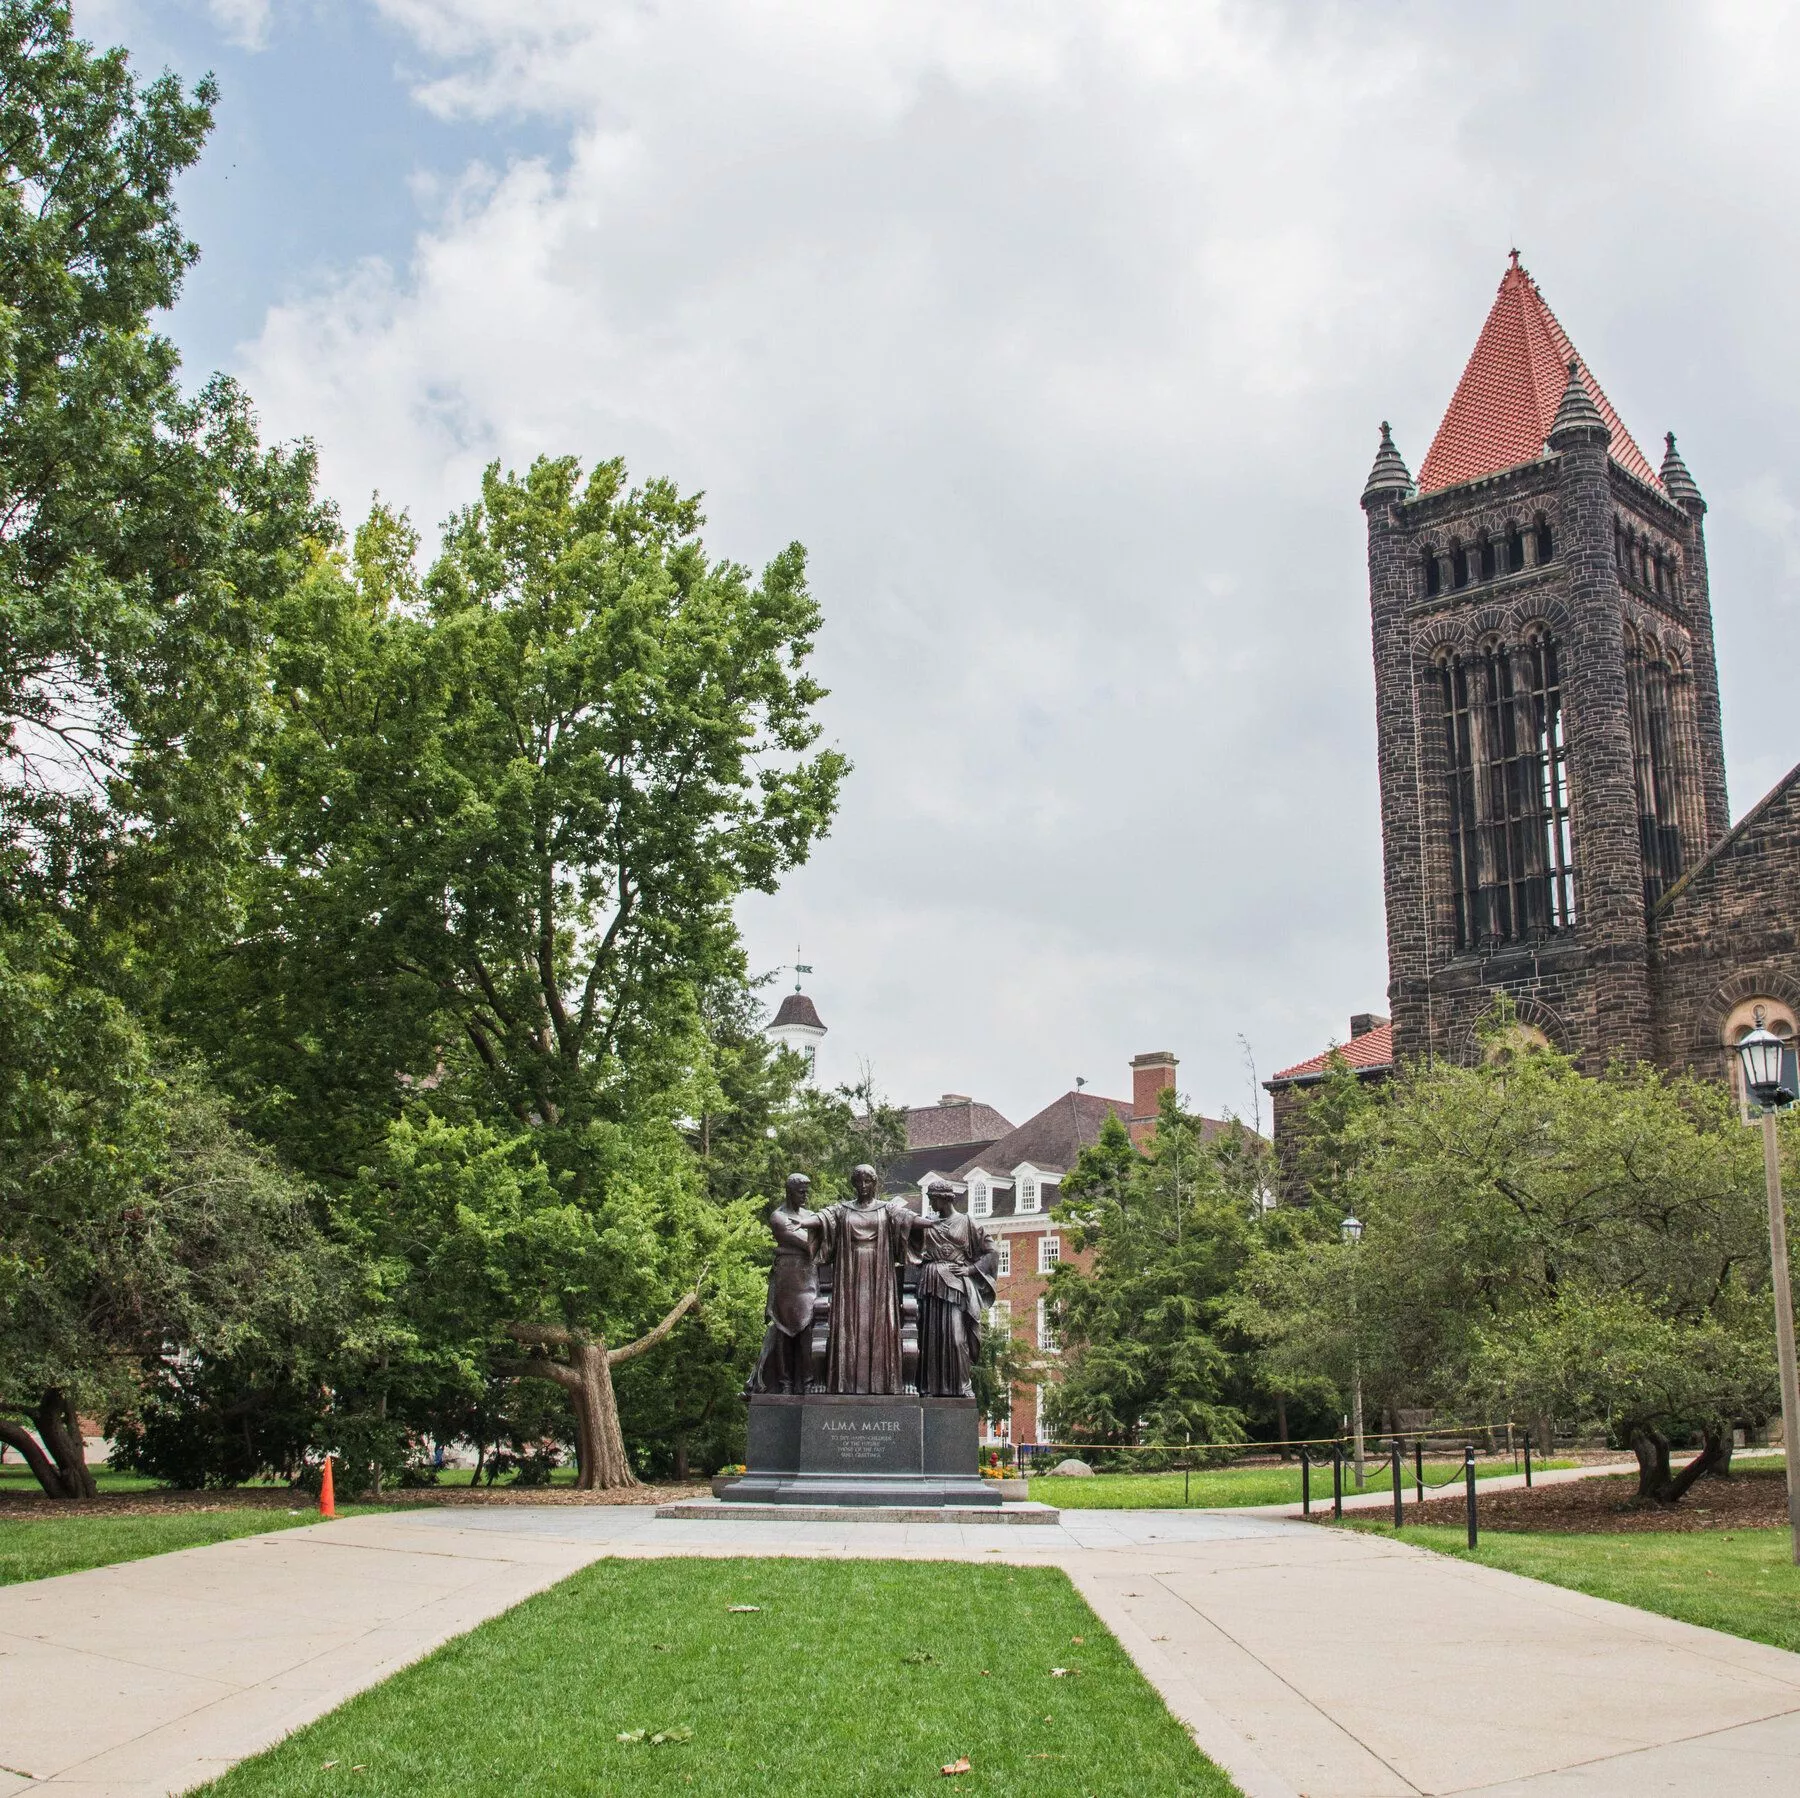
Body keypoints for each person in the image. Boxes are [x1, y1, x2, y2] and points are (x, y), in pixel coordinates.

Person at [813, 1163, 916, 1394]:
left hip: (879, 1274)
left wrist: (934, 1224)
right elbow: (822, 1219)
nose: (863, 1186)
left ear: (875, 1183)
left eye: (867, 1181)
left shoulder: (887, 1209)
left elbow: (908, 1220)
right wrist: (802, 1222)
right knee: (849, 1322)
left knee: (879, 1322)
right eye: (858, 1181)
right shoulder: (842, 1210)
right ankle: (845, 1381)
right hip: (849, 1272)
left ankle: (882, 1383)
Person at [913, 1180, 997, 1398]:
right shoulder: (927, 1224)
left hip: (955, 1286)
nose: (930, 1203)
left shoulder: (967, 1222)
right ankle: (929, 1387)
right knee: (930, 1338)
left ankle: (962, 1385)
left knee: (956, 1337)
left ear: (945, 1198)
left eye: (933, 1199)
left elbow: (992, 1252)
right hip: (931, 1283)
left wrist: (971, 1270)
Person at [745, 1173, 820, 1396]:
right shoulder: (779, 1217)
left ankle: (807, 1381)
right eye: (801, 1192)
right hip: (788, 1276)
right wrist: (816, 1242)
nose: (805, 1196)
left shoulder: (809, 1215)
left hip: (809, 1276)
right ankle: (785, 1382)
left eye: (807, 1191)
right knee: (784, 1327)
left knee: (809, 1327)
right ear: (789, 1192)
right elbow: (808, 1244)